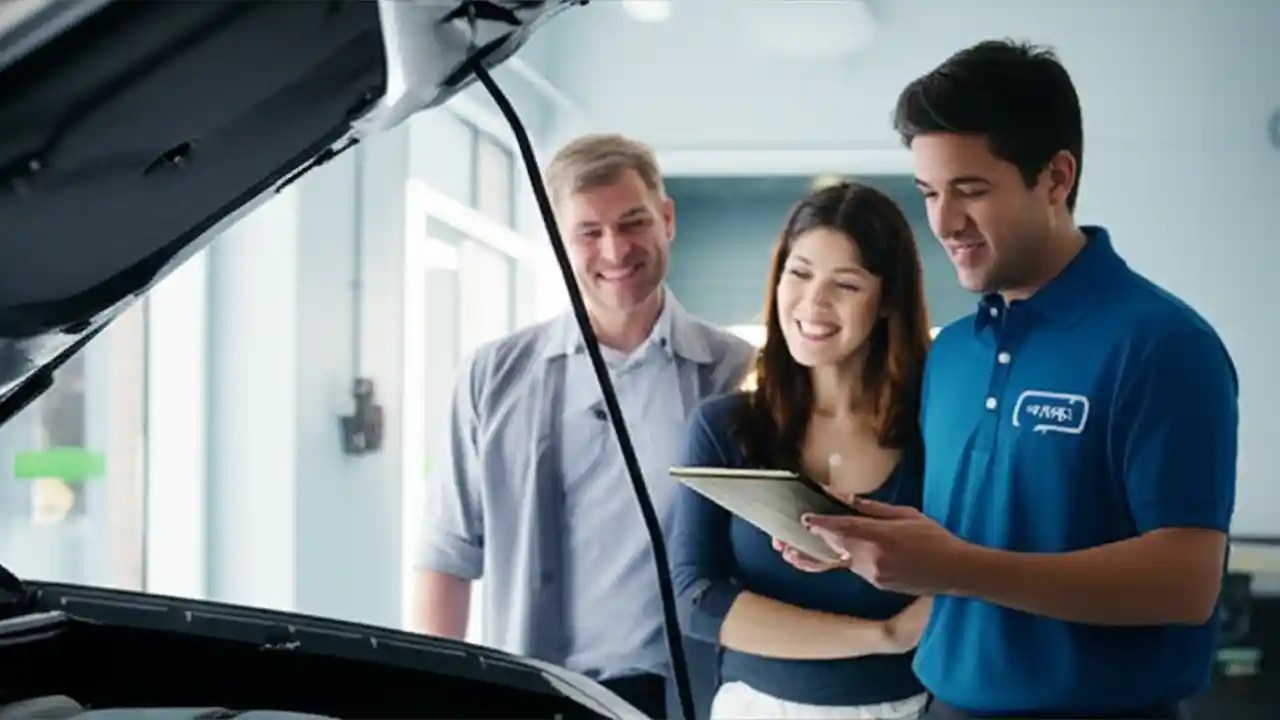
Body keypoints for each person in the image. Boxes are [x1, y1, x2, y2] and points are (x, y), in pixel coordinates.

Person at [795, 40, 1239, 719]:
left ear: (1056, 178)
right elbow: (966, 536)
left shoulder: (1163, 346)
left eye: (970, 191)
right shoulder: (951, 354)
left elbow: (1186, 583)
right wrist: (860, 540)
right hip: (943, 705)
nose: (944, 223)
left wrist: (956, 567)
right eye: (930, 193)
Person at [412, 132, 756, 718]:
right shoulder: (492, 377)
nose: (616, 251)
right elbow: (448, 555)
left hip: (682, 696)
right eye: (589, 233)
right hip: (533, 692)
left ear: (667, 219)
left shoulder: (734, 371)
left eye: (633, 223)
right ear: (557, 240)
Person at [668, 181, 936, 719]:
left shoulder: (934, 430)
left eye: (846, 284)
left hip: (908, 709)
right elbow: (696, 599)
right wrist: (885, 635)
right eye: (800, 273)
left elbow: (977, 568)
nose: (814, 302)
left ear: (888, 302)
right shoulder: (725, 427)